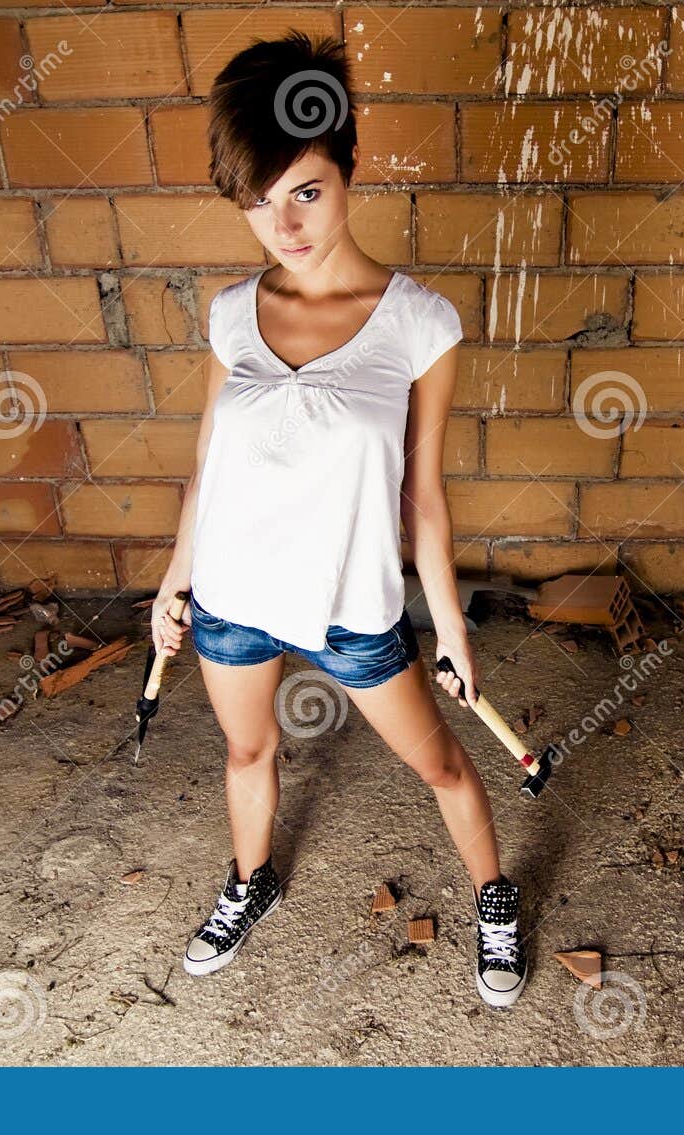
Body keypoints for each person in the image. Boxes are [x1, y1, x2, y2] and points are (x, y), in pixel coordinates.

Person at [147, 31, 526, 1009]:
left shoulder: (419, 323)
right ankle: (249, 881)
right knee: (245, 750)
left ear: (347, 163)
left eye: (305, 189)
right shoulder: (230, 313)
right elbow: (206, 464)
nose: (285, 224)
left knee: (440, 760)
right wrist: (171, 580)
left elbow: (422, 495)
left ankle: (492, 894)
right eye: (258, 201)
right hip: (234, 592)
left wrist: (447, 626)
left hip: (353, 605)